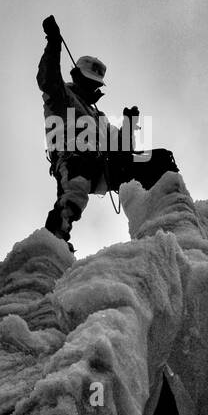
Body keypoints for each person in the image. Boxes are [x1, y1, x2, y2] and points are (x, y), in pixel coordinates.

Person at [37, 15, 178, 251]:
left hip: (101, 166)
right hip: (73, 159)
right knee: (77, 184)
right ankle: (57, 236)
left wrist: (129, 124)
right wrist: (53, 42)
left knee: (159, 159)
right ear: (76, 77)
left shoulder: (99, 118)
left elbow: (123, 149)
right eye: (89, 82)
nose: (93, 88)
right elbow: (48, 79)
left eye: (96, 85)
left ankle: (173, 216)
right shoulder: (61, 97)